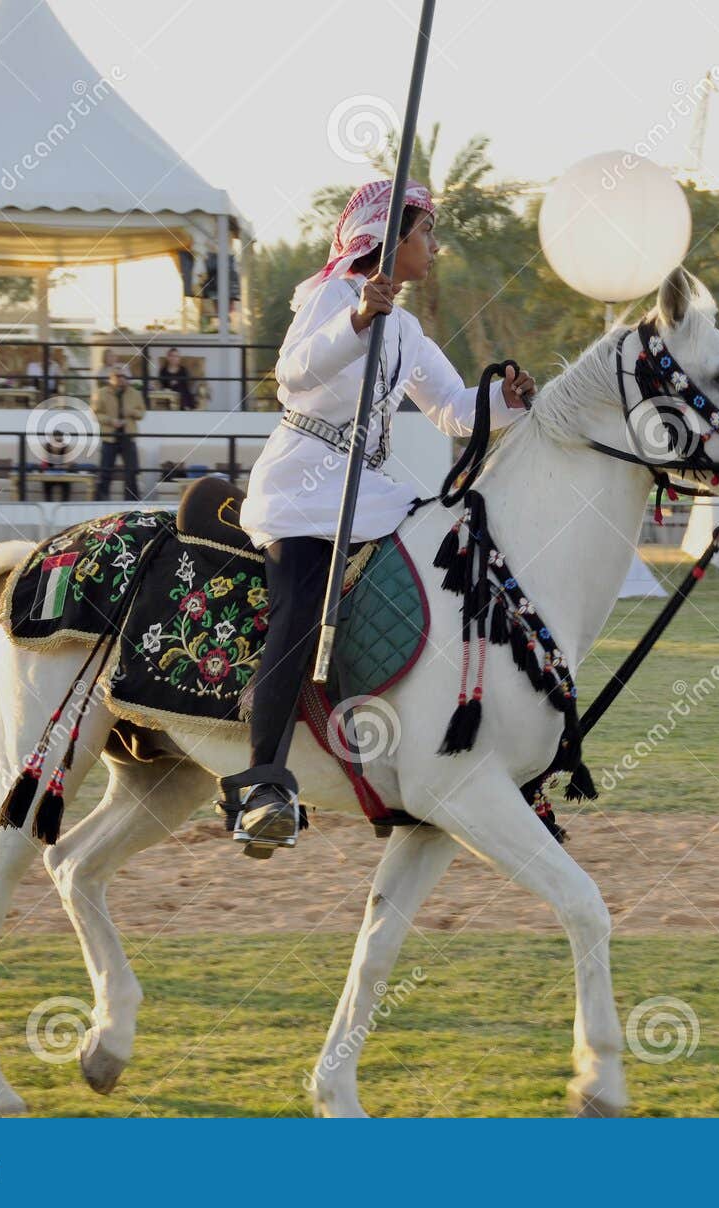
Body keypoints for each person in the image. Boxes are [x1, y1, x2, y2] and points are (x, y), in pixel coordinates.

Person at [229, 178, 535, 850]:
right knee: (302, 609)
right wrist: (358, 319)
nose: (434, 245)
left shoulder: (411, 328)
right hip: (304, 492)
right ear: (386, 239)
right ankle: (263, 786)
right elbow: (292, 375)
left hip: (370, 493)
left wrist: (508, 400)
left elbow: (453, 408)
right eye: (425, 232)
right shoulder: (330, 297)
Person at [91, 366, 145, 499]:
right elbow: (95, 413)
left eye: (124, 376)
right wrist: (111, 421)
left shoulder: (135, 393)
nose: (121, 379)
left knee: (131, 472)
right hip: (110, 438)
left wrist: (131, 412)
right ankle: (100, 503)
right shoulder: (101, 393)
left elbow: (142, 413)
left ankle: (132, 504)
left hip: (128, 436)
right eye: (118, 376)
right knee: (105, 472)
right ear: (111, 378)